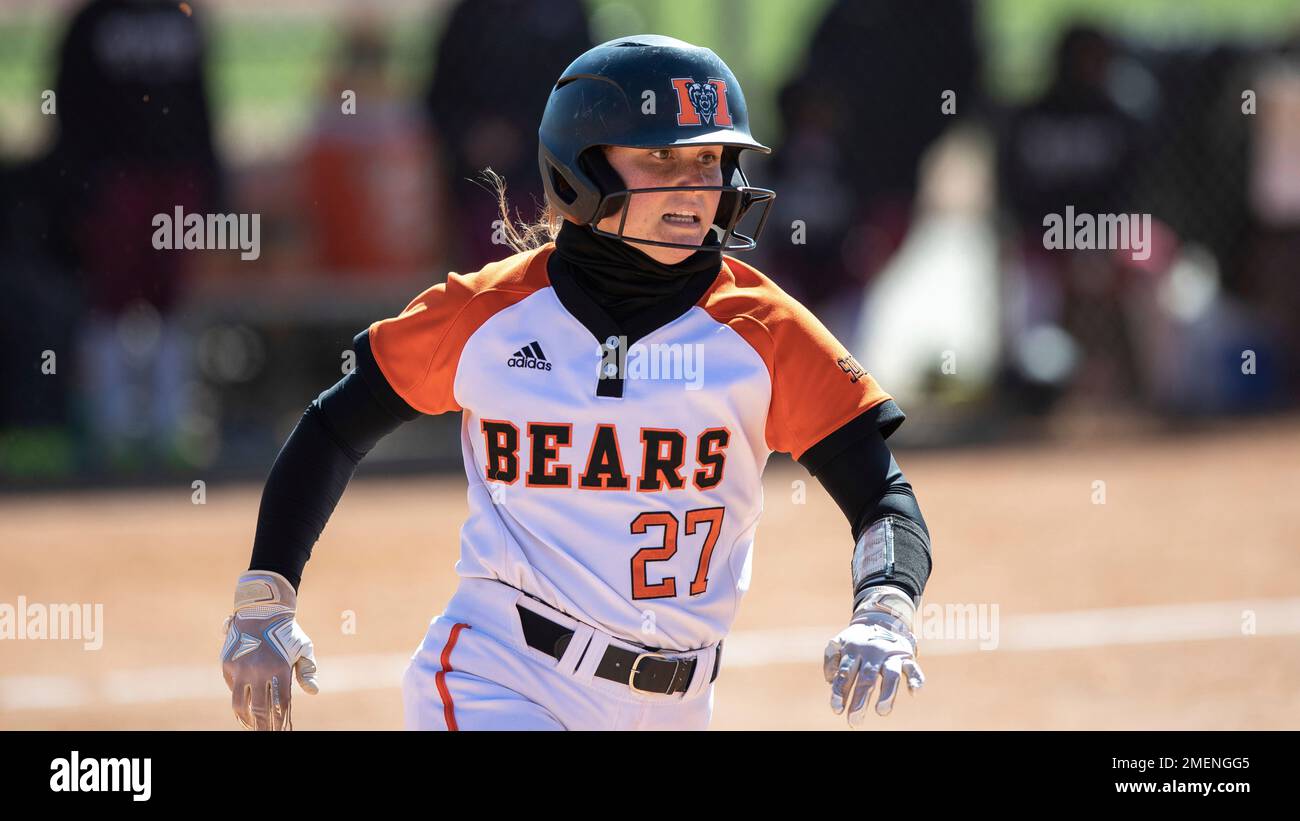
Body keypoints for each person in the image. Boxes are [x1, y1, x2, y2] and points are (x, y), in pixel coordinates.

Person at [221, 35, 933, 731]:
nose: (697, 184)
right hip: (498, 678)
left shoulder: (764, 332)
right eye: (663, 155)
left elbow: (883, 497)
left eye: (711, 158)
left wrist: (885, 604)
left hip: (678, 704)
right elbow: (332, 427)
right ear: (581, 168)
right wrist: (265, 597)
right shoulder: (487, 316)